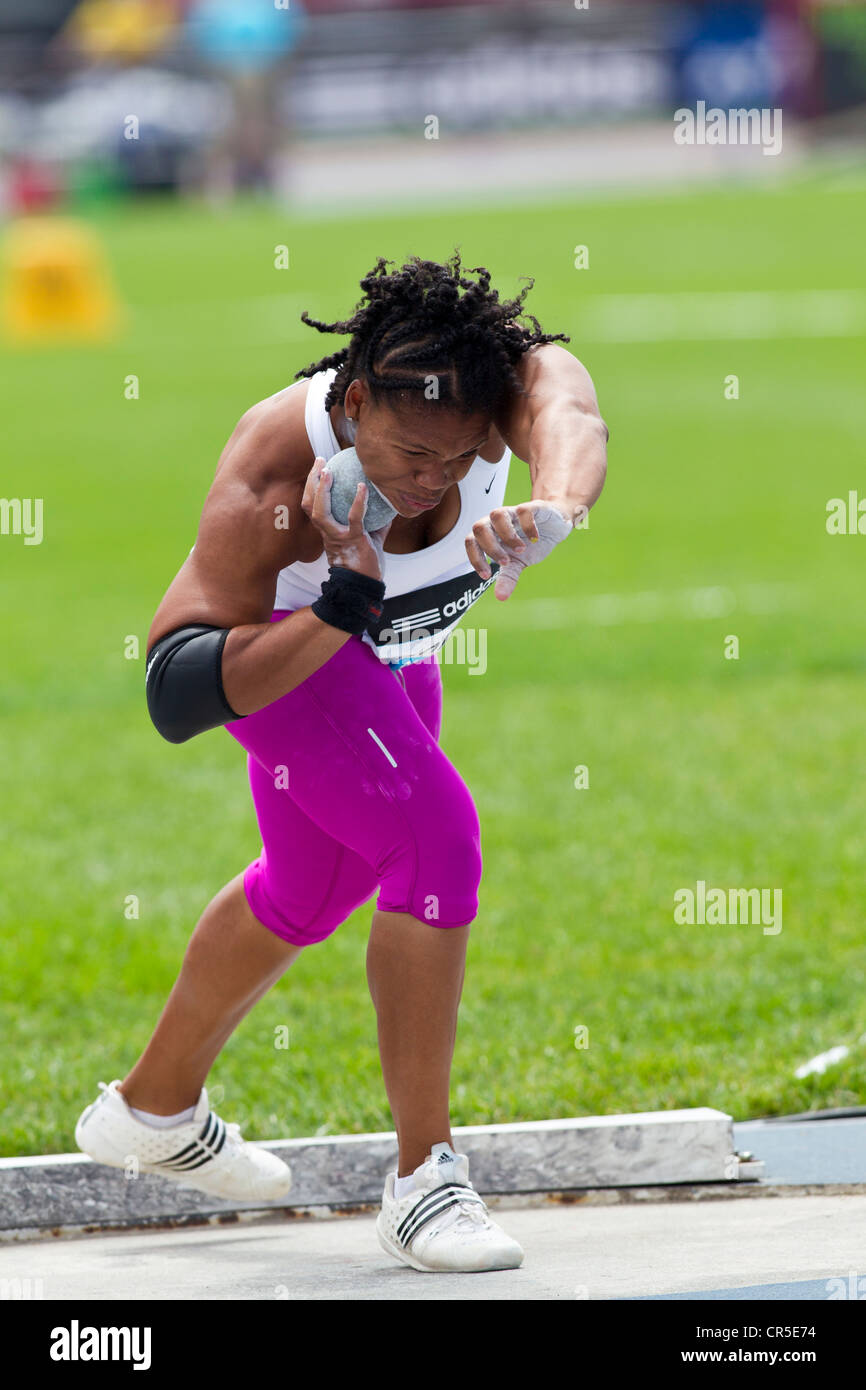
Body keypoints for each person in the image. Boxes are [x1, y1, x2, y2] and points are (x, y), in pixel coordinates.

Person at [75, 253, 608, 1273]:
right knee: (435, 841)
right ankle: (422, 1180)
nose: (433, 480)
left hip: (395, 658)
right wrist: (341, 603)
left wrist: (556, 511)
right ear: (355, 401)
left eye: (459, 461)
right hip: (295, 652)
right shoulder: (276, 473)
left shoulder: (506, 385)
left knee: (312, 888)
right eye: (409, 452)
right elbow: (176, 690)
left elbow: (574, 422)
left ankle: (151, 1105)